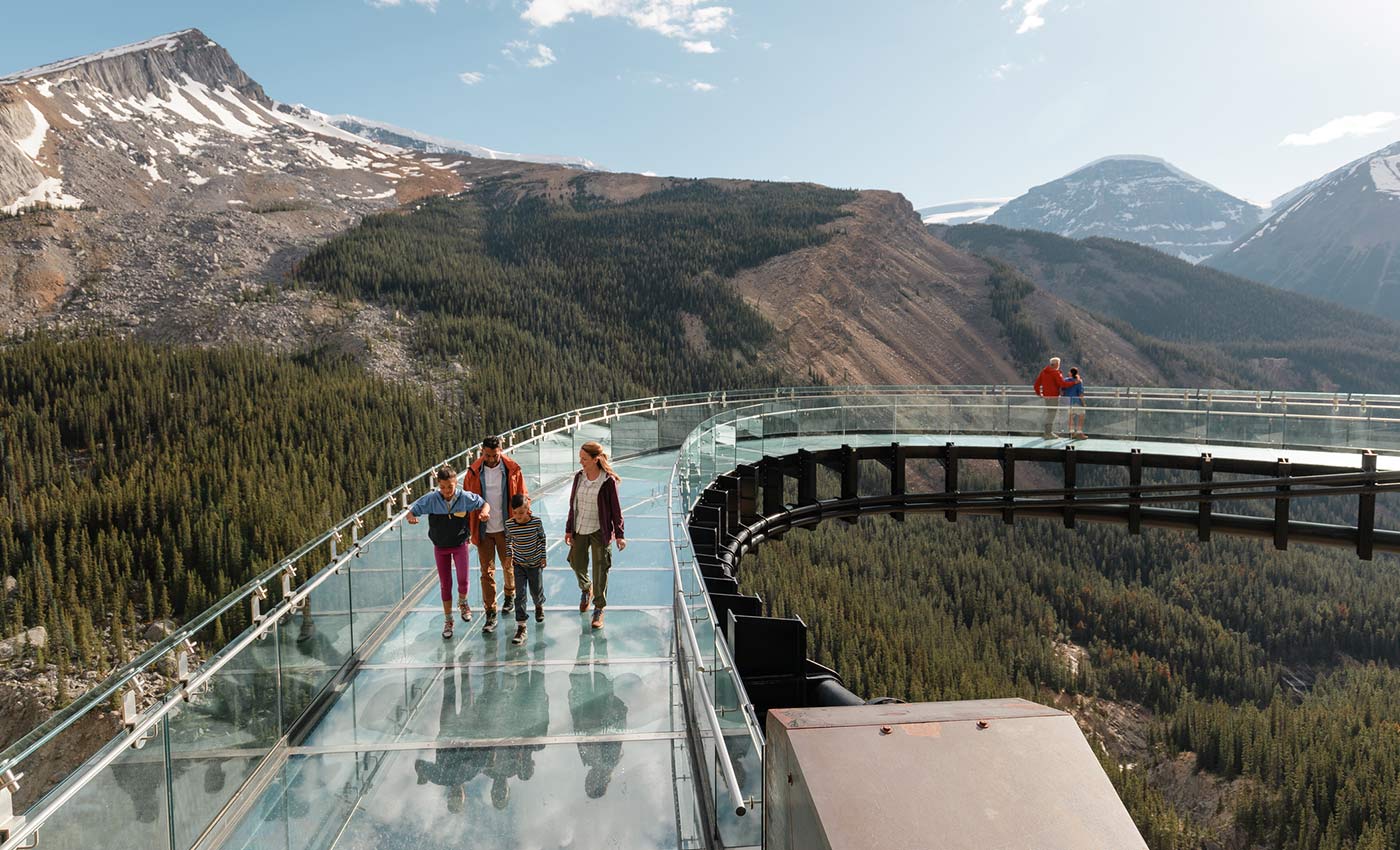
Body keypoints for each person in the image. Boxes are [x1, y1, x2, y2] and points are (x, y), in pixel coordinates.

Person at [408, 464, 490, 639]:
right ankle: (448, 620)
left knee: (463, 578)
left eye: (450, 487)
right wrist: (411, 517)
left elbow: (484, 504)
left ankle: (463, 602)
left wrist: (484, 513)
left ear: (456, 483)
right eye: (443, 487)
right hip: (440, 547)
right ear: (438, 485)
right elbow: (413, 510)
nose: (446, 491)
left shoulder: (464, 498)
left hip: (460, 544)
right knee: (445, 584)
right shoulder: (431, 499)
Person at [464, 435, 528, 636]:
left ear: (501, 451)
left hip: (506, 528)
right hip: (483, 531)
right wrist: (467, 529)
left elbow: (523, 497)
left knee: (509, 566)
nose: (490, 459)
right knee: (486, 572)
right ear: (482, 452)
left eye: (494, 455)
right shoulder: (473, 472)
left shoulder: (512, 470)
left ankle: (509, 595)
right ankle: (490, 611)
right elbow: (466, 500)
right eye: (487, 455)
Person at [565, 441, 626, 630]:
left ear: (595, 459)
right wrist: (569, 529)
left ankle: (599, 608)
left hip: (600, 531)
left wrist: (620, 535)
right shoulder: (579, 477)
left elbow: (616, 510)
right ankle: (586, 589)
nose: (581, 462)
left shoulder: (607, 481)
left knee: (601, 570)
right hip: (580, 528)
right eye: (580, 458)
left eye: (584, 459)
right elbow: (572, 505)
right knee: (576, 563)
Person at [505, 494, 548, 645]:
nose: (518, 517)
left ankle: (539, 605)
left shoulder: (536, 523)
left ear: (528, 509)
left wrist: (543, 556)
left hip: (535, 564)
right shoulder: (510, 525)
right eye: (515, 513)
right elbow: (508, 541)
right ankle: (521, 626)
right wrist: (509, 556)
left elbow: (542, 539)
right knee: (520, 595)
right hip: (519, 565)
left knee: (536, 591)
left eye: (521, 513)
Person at [1032, 356, 1076, 439]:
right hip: (1053, 397)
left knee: (1049, 413)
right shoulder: (1055, 373)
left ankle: (1048, 432)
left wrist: (1040, 393)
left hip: (1046, 396)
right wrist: (1074, 382)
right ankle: (1048, 433)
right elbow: (1062, 384)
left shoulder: (1044, 372)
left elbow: (1036, 385)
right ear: (1056, 364)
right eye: (1059, 364)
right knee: (1052, 414)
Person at [1063, 367, 1087, 439]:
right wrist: (1083, 403)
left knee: (1070, 417)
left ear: (1070, 373)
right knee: (1081, 415)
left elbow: (1062, 390)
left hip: (1068, 402)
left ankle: (1072, 432)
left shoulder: (1065, 380)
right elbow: (1080, 394)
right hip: (1076, 402)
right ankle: (1079, 432)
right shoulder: (1079, 381)